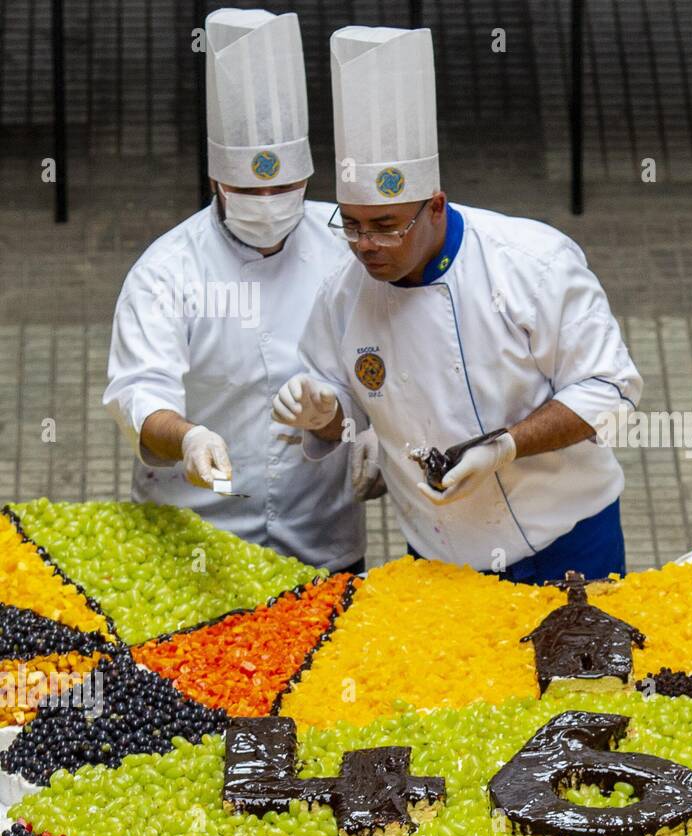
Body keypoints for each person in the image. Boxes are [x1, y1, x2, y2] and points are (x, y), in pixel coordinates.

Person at [272, 25, 641, 585]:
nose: (366, 245)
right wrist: (326, 416)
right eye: (351, 225)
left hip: (570, 538)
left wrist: (506, 447)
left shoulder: (531, 264)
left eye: (387, 226)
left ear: (436, 206)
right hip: (443, 558)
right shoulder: (342, 295)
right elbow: (342, 411)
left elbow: (610, 390)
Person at [104, 9, 375, 574]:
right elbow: (140, 395)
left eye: (286, 186)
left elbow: (388, 371)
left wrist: (335, 419)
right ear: (215, 183)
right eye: (251, 189)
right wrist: (188, 437)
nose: (271, 200)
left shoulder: (348, 254)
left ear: (309, 178)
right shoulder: (167, 271)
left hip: (321, 543)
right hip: (194, 548)